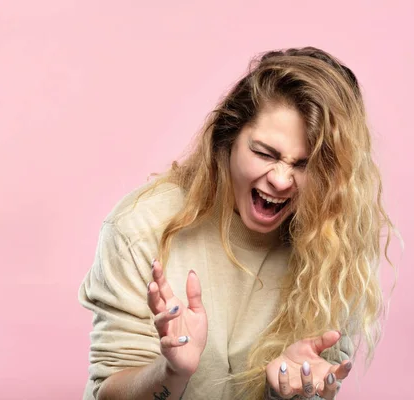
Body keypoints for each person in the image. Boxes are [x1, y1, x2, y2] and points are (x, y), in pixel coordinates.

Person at [78, 46, 396, 400]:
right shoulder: (139, 227)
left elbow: (319, 383)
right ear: (227, 139)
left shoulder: (336, 247)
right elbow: (107, 391)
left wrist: (286, 394)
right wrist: (171, 371)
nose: (280, 179)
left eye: (304, 165)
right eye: (264, 153)